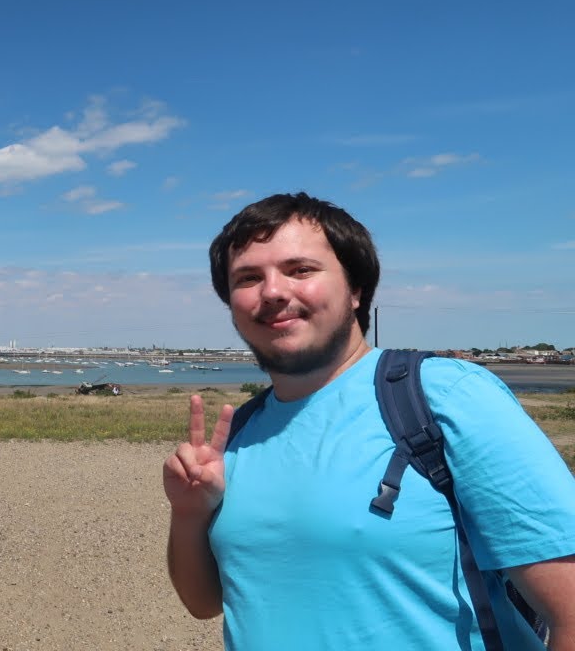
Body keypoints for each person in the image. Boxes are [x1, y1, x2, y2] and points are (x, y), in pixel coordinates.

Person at [162, 191, 575, 650]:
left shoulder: (443, 396)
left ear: (356, 290)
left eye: (301, 270)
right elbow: (204, 603)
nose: (273, 291)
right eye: (248, 277)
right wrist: (189, 513)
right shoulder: (239, 432)